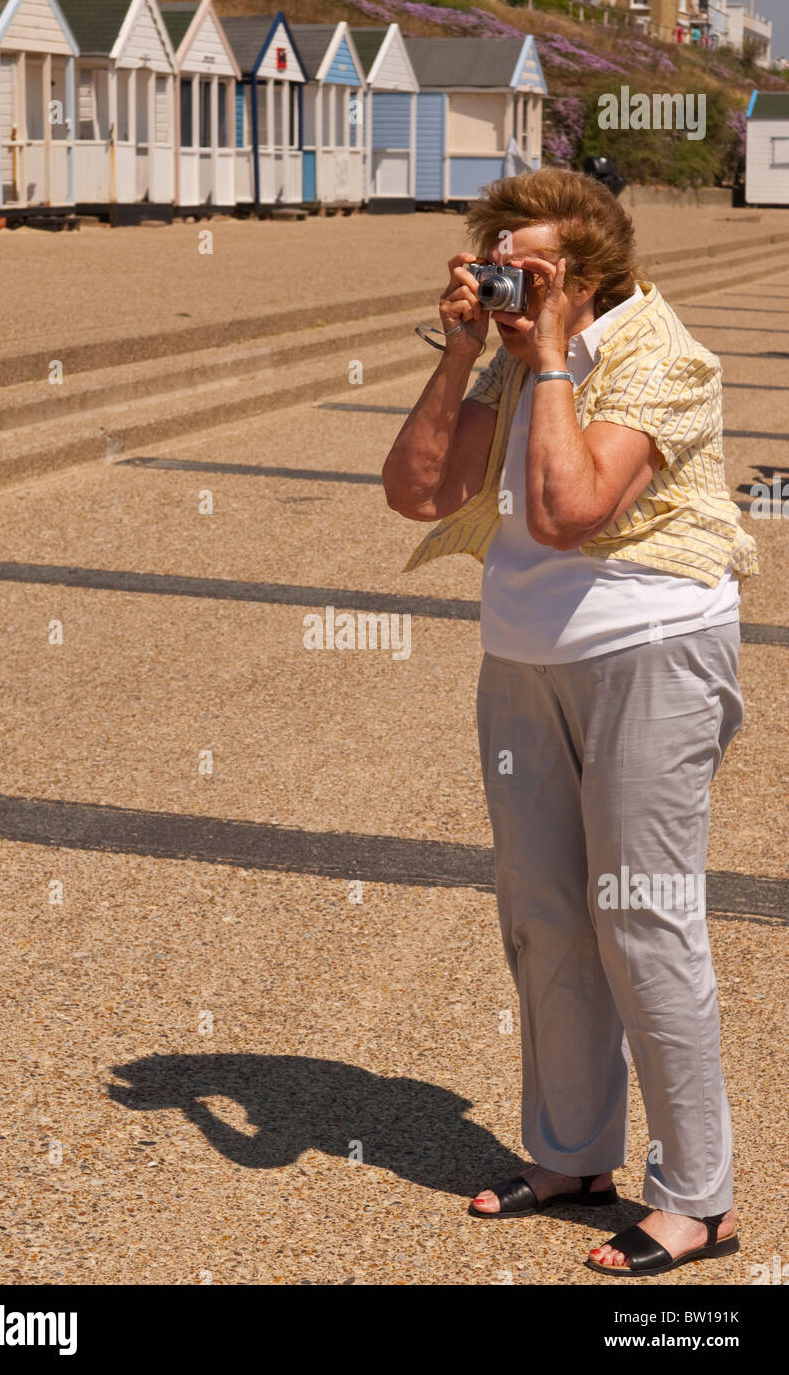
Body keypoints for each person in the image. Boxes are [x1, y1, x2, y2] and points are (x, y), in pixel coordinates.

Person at [382, 167, 758, 1278]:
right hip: (522, 658)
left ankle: (699, 1197)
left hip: (652, 649)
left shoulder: (664, 357)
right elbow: (417, 492)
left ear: (585, 275)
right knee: (542, 910)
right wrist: (464, 352)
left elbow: (567, 509)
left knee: (641, 919)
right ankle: (570, 1153)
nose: (508, 283)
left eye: (529, 268)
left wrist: (547, 353)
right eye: (494, 260)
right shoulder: (501, 358)